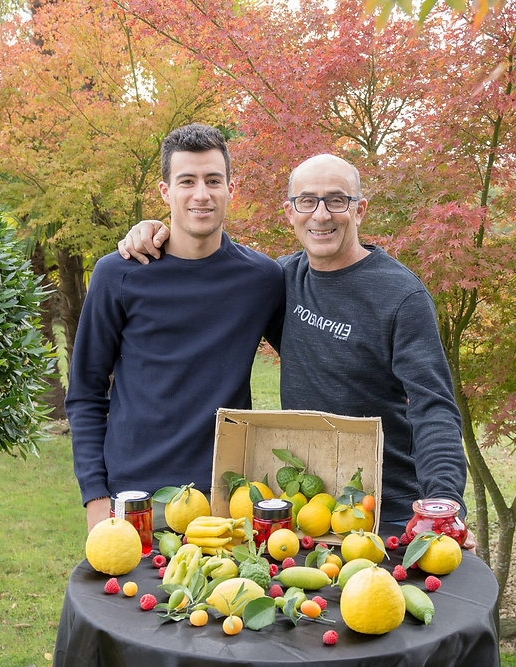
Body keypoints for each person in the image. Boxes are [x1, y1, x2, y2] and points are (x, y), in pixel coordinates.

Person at [119, 154, 470, 533]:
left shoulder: (400, 296)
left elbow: (433, 407)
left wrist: (444, 503)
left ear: (360, 210)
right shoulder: (279, 281)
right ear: (290, 212)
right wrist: (158, 230)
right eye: (307, 201)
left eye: (337, 201)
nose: (321, 215)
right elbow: (214, 263)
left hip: (388, 508)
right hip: (306, 506)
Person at [65, 123, 284, 532]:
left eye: (213, 180)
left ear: (230, 190)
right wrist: (95, 498)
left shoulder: (262, 279)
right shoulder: (119, 274)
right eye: (187, 181)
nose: (201, 194)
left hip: (225, 499)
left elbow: (311, 354)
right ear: (165, 191)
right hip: (134, 502)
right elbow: (85, 392)